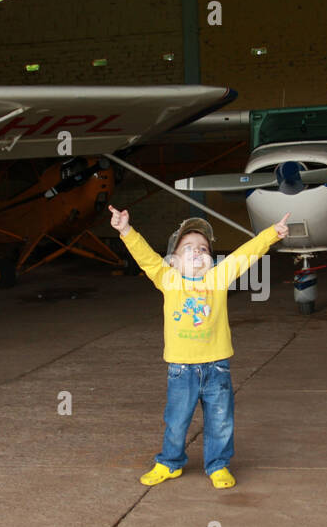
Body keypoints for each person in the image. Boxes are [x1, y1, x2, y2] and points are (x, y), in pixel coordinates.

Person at [109, 204, 289, 488]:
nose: (198, 251)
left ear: (212, 260)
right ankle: (170, 463)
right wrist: (125, 230)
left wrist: (271, 234)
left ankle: (218, 465)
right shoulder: (167, 279)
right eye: (188, 247)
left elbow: (245, 255)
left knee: (221, 421)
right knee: (177, 421)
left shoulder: (218, 279)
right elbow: (145, 258)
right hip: (181, 369)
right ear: (172, 260)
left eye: (204, 249)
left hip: (217, 367)